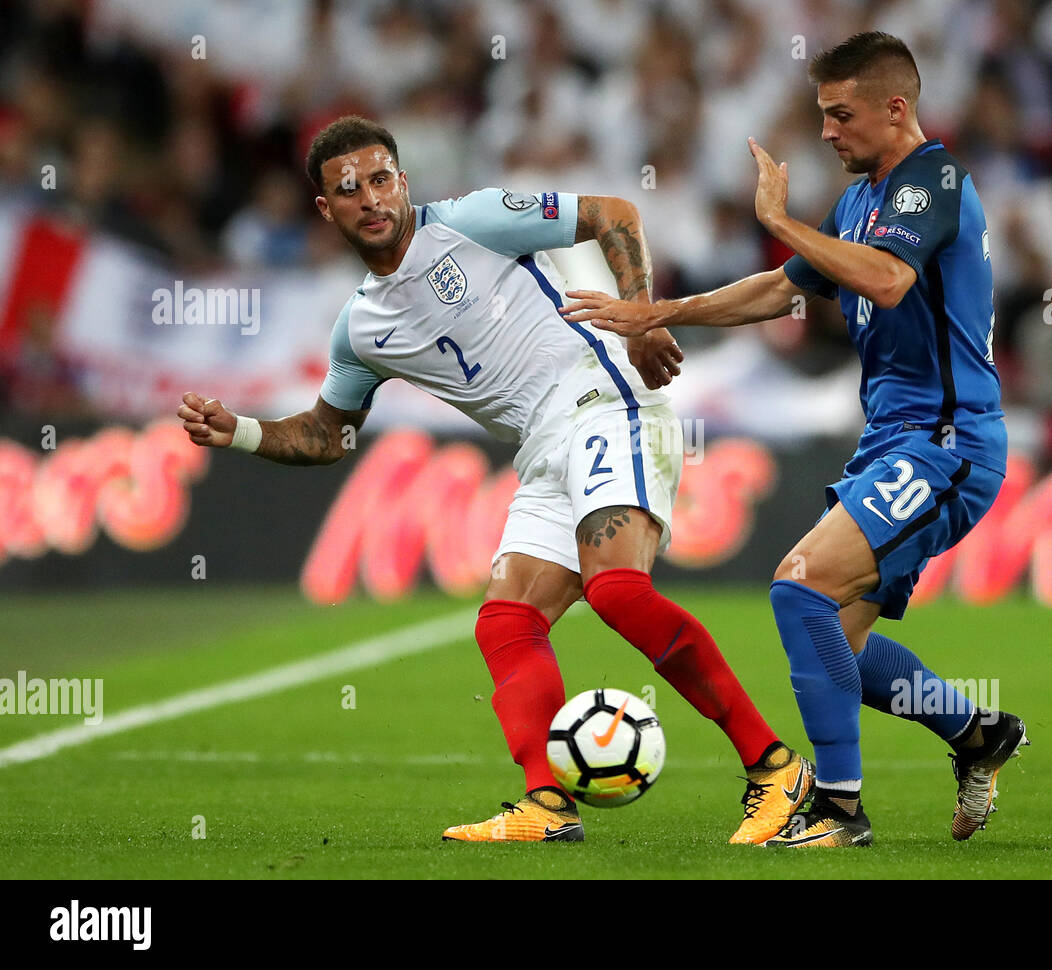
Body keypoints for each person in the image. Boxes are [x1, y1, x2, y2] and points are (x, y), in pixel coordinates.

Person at [175, 116, 812, 845]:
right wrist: (244, 432)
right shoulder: (360, 328)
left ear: (403, 181)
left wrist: (638, 316)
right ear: (327, 210)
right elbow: (329, 434)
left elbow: (613, 213)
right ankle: (546, 803)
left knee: (615, 590)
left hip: (606, 404)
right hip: (541, 449)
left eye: (382, 179)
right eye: (349, 190)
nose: (371, 199)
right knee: (506, 620)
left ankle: (776, 768)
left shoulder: (472, 221)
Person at [561, 33, 1028, 848]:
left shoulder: (935, 180)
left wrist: (778, 219)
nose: (825, 132)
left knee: (799, 586)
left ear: (896, 106)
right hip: (894, 442)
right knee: (836, 643)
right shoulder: (862, 201)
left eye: (840, 114)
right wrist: (657, 311)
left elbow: (886, 281)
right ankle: (979, 735)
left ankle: (839, 810)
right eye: (821, 114)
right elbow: (782, 289)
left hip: (949, 443)